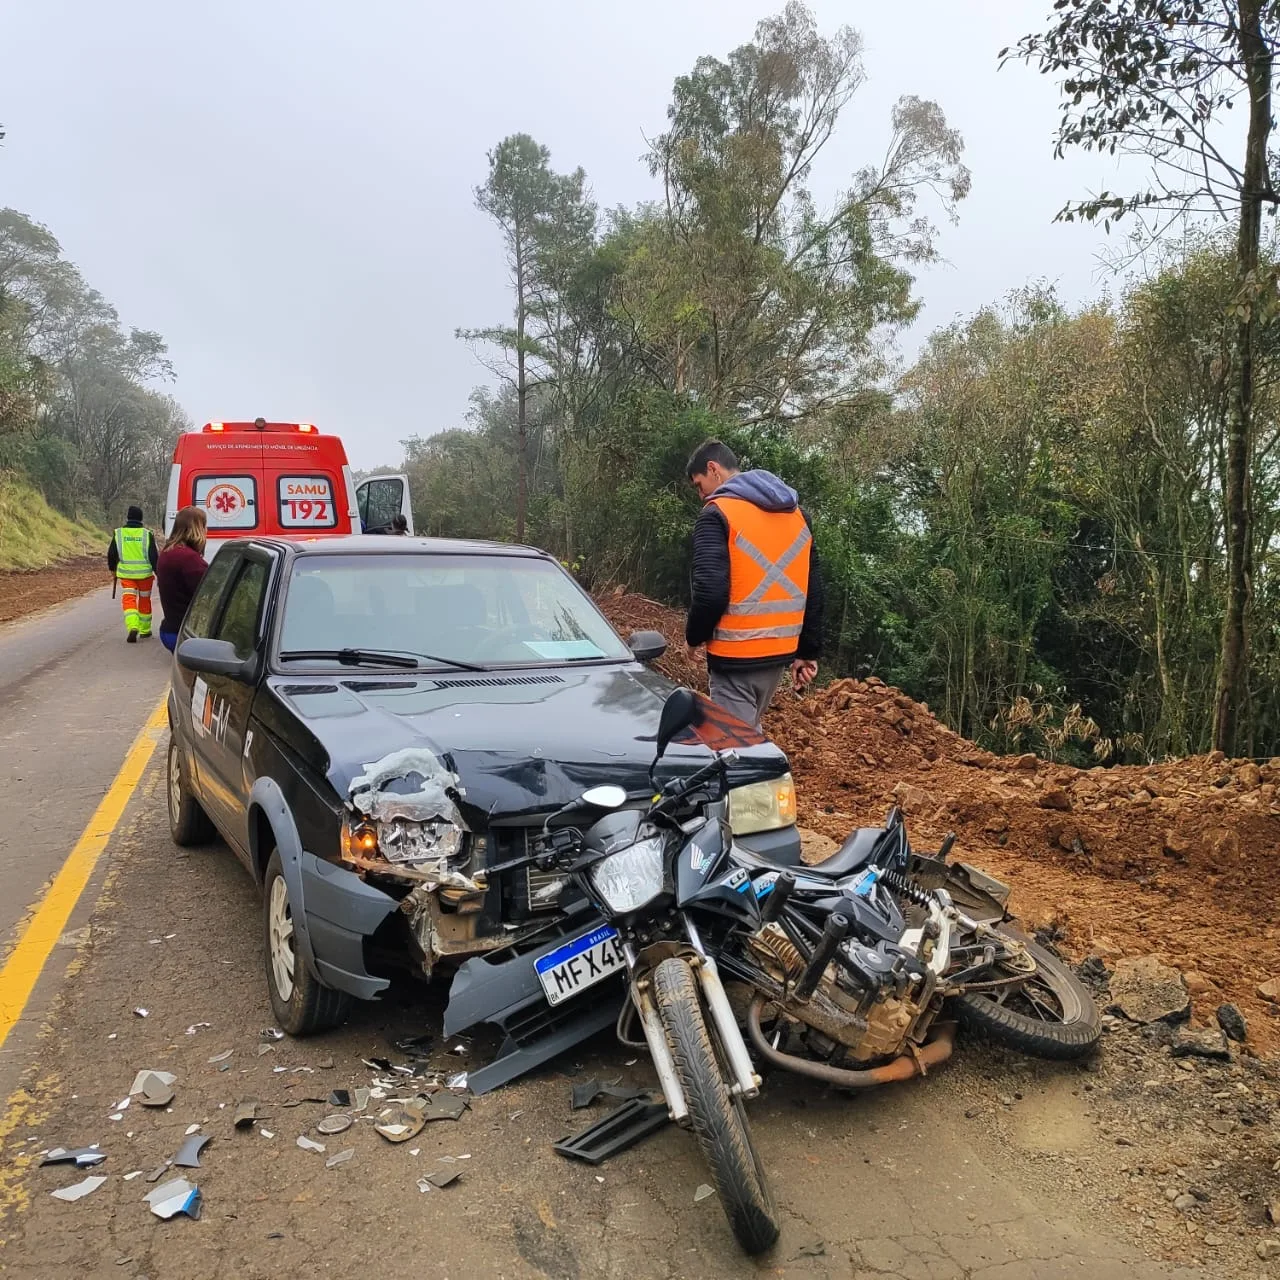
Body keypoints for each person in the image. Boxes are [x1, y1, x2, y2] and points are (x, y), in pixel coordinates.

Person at [684, 440, 824, 730]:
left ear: (714, 469)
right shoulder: (798, 516)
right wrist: (807, 652)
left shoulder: (717, 514)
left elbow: (710, 593)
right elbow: (813, 587)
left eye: (699, 485)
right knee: (748, 737)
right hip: (778, 657)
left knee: (733, 752)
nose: (700, 495)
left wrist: (694, 637)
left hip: (736, 657)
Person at [156, 506, 209, 652]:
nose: (207, 531)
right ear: (198, 528)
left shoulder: (168, 552)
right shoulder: (188, 558)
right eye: (205, 526)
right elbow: (209, 594)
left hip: (171, 629)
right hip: (185, 634)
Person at [107, 505, 159, 643]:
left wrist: (113, 570)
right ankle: (145, 630)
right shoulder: (147, 534)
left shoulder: (118, 533)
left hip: (127, 575)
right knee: (144, 601)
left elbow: (112, 554)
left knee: (129, 600)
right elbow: (154, 556)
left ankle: (133, 625)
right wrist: (159, 573)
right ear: (141, 519)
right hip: (145, 576)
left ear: (128, 517)